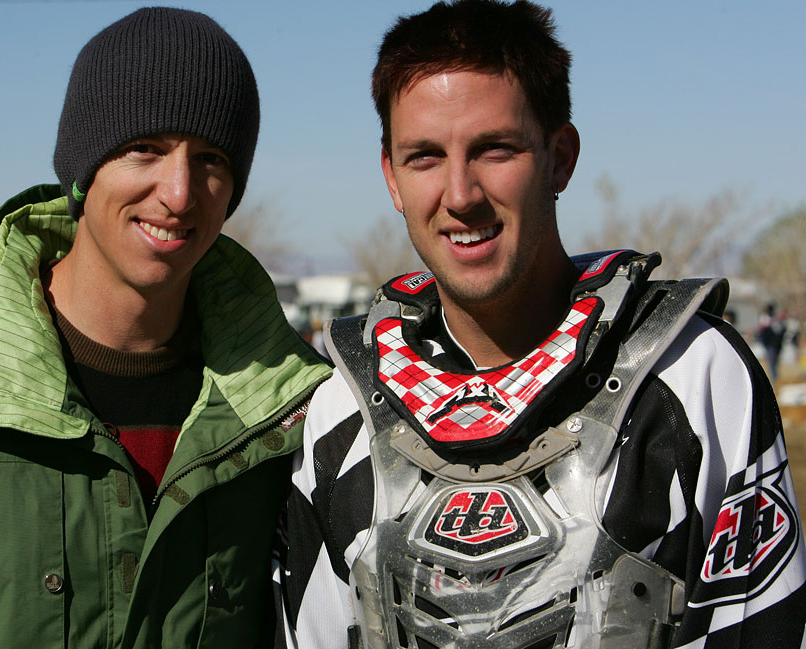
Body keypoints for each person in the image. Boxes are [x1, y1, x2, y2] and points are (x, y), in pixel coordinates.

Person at [277, 2, 805, 648]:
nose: (461, 194)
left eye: (495, 149)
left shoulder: (695, 376)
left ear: (560, 158)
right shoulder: (343, 408)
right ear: (391, 176)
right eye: (425, 157)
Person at [0, 8, 330, 648]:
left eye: (211, 158)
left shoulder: (287, 413)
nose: (178, 192)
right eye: (144, 148)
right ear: (84, 169)